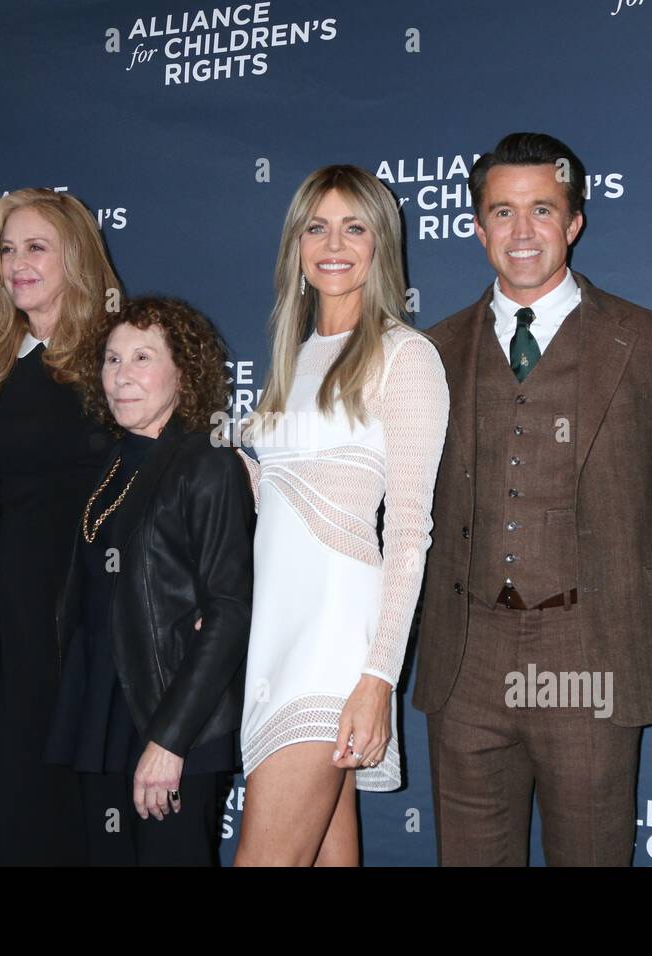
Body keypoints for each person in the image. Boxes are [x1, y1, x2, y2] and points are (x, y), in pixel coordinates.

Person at [415, 132, 652, 866]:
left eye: (542, 210)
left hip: (589, 654)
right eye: (502, 212)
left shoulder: (651, 344)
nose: (521, 232)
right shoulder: (429, 353)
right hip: (465, 657)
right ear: (476, 226)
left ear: (575, 222)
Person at [233, 165, 449, 867]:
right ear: (295, 243)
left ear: (382, 244)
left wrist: (377, 677)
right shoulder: (289, 361)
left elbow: (411, 533)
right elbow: (278, 508)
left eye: (355, 226)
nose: (334, 242)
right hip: (274, 640)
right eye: (316, 226)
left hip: (333, 649)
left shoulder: (406, 356)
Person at [44, 296, 252, 866]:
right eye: (112, 360)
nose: (122, 375)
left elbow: (229, 611)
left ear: (183, 373)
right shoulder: (113, 463)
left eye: (142, 357)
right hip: (102, 719)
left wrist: (169, 741)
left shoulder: (207, 462)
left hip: (168, 726)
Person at [0, 189, 121, 864]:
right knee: (19, 793)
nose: (16, 263)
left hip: (79, 614)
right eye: (6, 249)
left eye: (36, 247)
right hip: (12, 614)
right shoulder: (15, 361)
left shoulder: (113, 355)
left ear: (77, 258)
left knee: (73, 803)